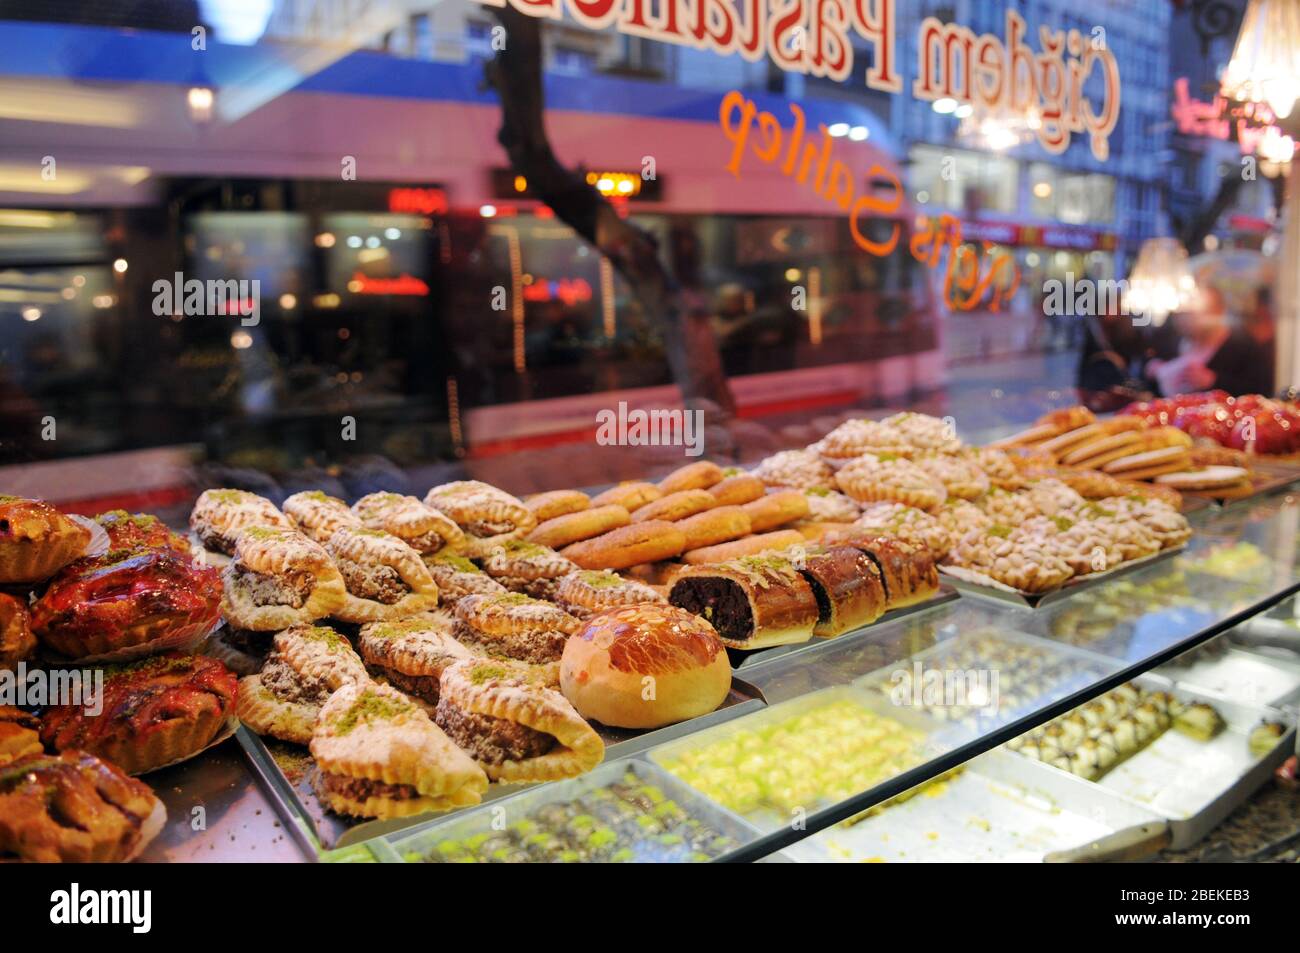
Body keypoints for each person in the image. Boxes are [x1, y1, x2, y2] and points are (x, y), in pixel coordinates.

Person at [1143, 285, 1273, 397]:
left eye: (1196, 314)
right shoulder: (1170, 340)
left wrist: (1214, 382)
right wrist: (1153, 371)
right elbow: (1144, 380)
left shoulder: (1245, 346)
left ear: (1218, 311)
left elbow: (1261, 393)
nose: (1186, 320)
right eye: (1183, 314)